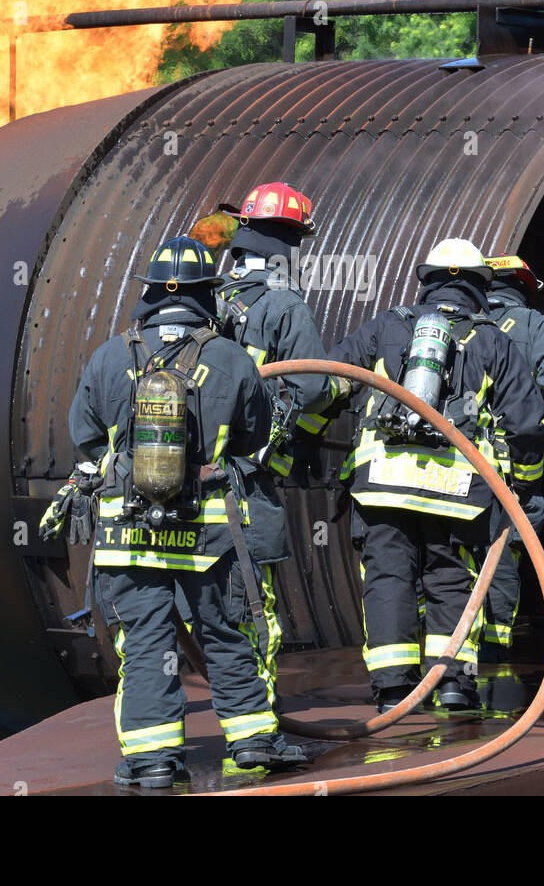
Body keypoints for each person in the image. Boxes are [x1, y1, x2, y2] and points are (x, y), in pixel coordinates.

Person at [52, 235, 309, 787]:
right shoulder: (230, 358)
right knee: (227, 632)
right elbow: (255, 438)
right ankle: (253, 744)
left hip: (129, 535)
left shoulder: (109, 356)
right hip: (210, 537)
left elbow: (86, 439)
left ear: (148, 295)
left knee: (144, 642)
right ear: (205, 295)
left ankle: (152, 760)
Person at [326, 238, 544, 712]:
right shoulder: (494, 340)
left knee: (389, 577)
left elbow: (328, 381)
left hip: (384, 484)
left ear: (426, 282)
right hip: (458, 490)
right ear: (479, 286)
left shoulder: (387, 327)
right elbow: (526, 421)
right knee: (451, 577)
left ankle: (392, 691)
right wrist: (524, 480)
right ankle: (452, 685)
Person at [190, 183, 349, 709]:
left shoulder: (207, 293)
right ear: (290, 241)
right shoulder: (284, 305)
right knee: (251, 600)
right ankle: (254, 717)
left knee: (201, 593)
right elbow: (310, 386)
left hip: (188, 475)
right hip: (246, 480)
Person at [472, 254, 544, 663]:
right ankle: (494, 646)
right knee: (502, 543)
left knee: (454, 546)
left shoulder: (462, 326)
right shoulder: (536, 326)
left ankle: (444, 647)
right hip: (508, 462)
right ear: (525, 289)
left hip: (454, 456)